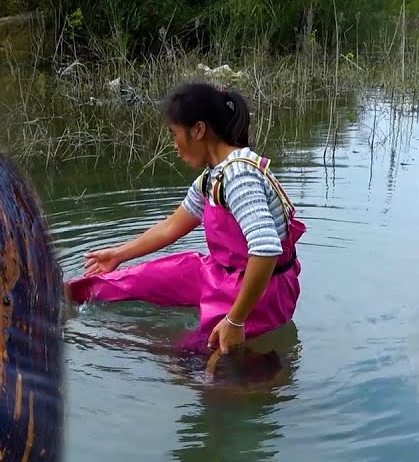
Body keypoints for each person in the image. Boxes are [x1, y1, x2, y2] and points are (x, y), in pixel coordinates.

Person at [65, 81, 307, 357]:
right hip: (222, 271)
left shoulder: (239, 176)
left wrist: (235, 320)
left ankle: (251, 369)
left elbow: (266, 250)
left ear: (198, 130)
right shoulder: (211, 178)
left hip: (261, 292)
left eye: (174, 134)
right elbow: (170, 226)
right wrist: (117, 255)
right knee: (133, 280)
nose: (174, 145)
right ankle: (69, 294)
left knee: (188, 362)